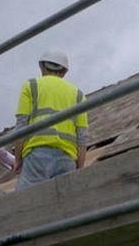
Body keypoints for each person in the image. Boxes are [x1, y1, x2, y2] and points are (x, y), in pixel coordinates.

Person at [14, 50, 87, 191]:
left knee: (26, 203)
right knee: (65, 206)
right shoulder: (78, 95)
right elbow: (82, 137)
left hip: (36, 156)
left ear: (41, 66)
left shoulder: (31, 86)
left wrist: (18, 158)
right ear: (64, 71)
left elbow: (21, 127)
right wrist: (80, 168)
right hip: (67, 158)